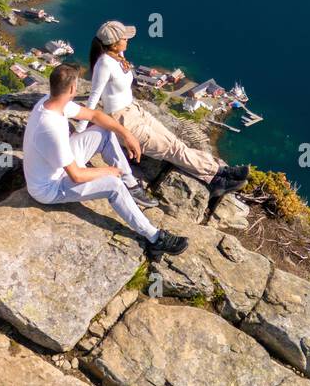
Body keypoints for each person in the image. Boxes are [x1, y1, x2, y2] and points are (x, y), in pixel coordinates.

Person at [22, 62, 188, 256]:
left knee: (104, 132)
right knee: (113, 186)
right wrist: (108, 171)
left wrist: (126, 134)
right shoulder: (51, 127)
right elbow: (76, 175)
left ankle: (131, 186)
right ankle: (155, 237)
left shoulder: (50, 102)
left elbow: (94, 114)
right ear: (73, 88)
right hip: (49, 188)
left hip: (55, 166)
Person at [87, 20, 250, 199]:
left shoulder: (118, 55)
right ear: (115, 43)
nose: (128, 39)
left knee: (177, 143)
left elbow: (118, 64)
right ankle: (220, 171)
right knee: (173, 149)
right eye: (125, 37)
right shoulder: (103, 64)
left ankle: (218, 180)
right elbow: (94, 97)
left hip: (135, 110)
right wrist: (79, 131)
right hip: (122, 121)